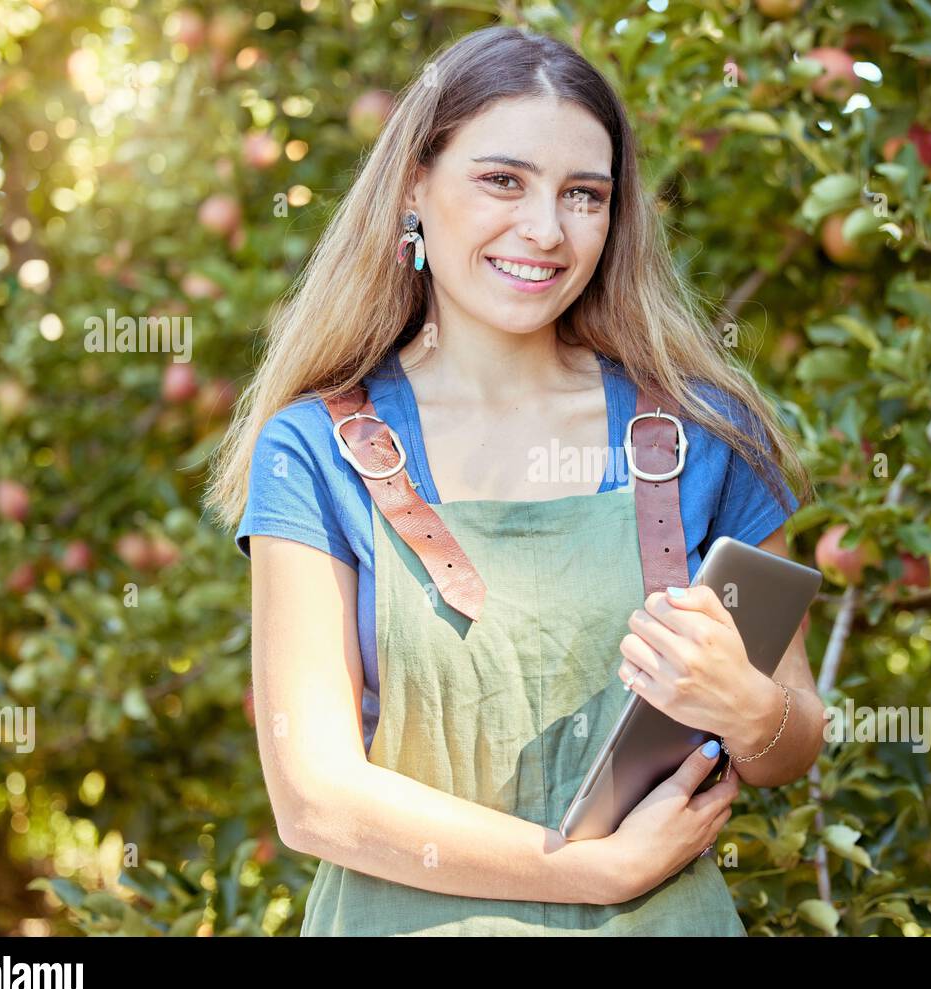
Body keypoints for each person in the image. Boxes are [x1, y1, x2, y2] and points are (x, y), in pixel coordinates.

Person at [206, 25, 825, 937]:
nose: (544, 230)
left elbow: (794, 739)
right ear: (415, 185)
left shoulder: (703, 434)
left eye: (584, 195)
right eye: (503, 180)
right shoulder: (314, 450)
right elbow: (314, 801)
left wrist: (748, 706)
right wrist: (593, 871)